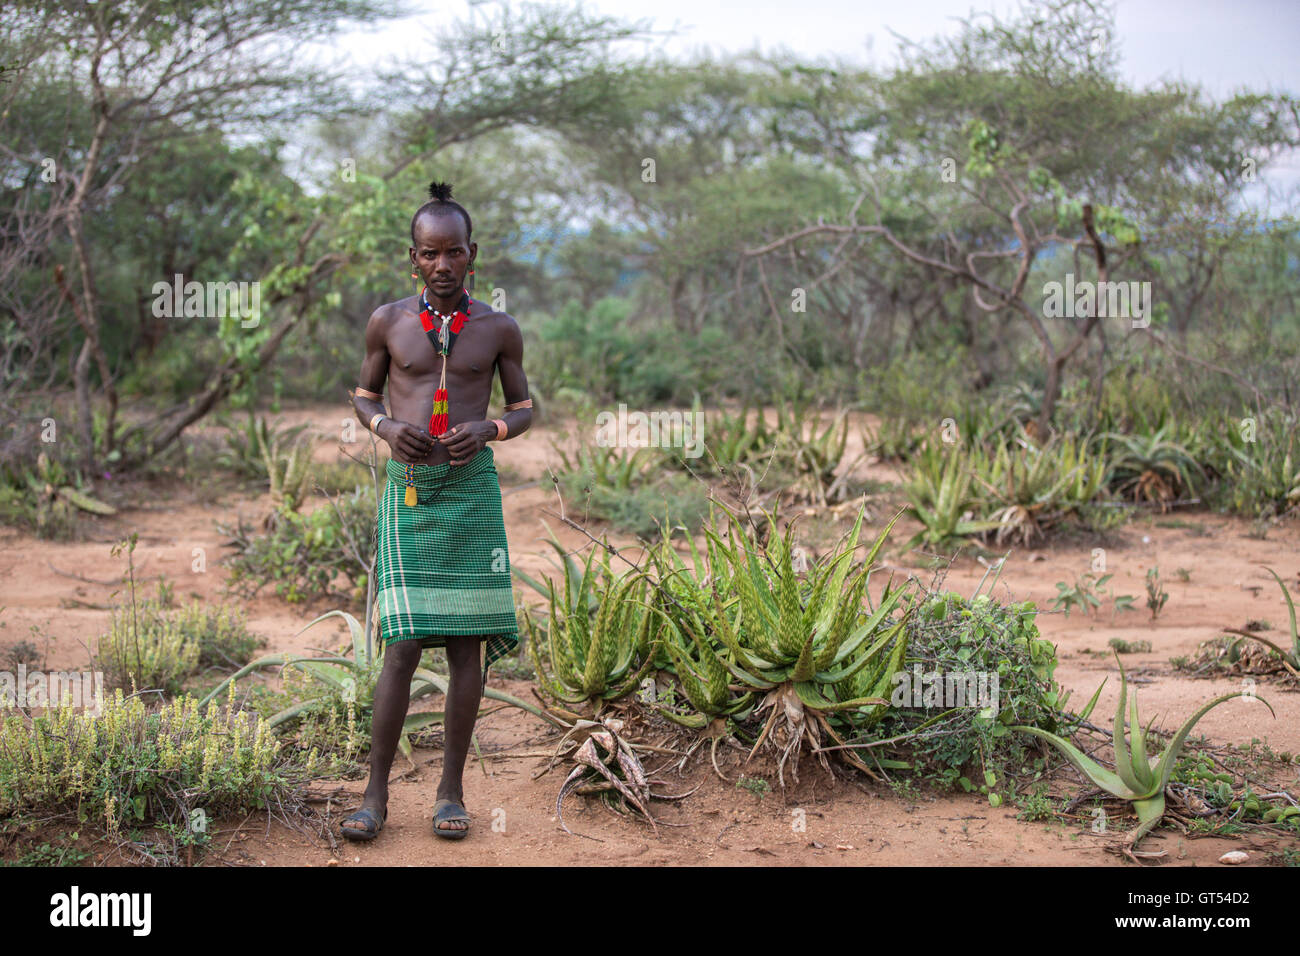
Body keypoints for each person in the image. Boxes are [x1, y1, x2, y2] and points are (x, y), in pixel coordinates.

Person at [343, 181, 533, 841]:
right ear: (414, 258)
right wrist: (387, 429)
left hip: (472, 490)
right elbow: (365, 396)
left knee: (464, 649)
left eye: (454, 252)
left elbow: (524, 408)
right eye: (430, 254)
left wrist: (490, 432)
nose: (442, 265)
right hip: (411, 491)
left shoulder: (498, 328)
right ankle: (375, 797)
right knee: (400, 648)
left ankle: (451, 794)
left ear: (472, 254)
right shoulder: (388, 321)